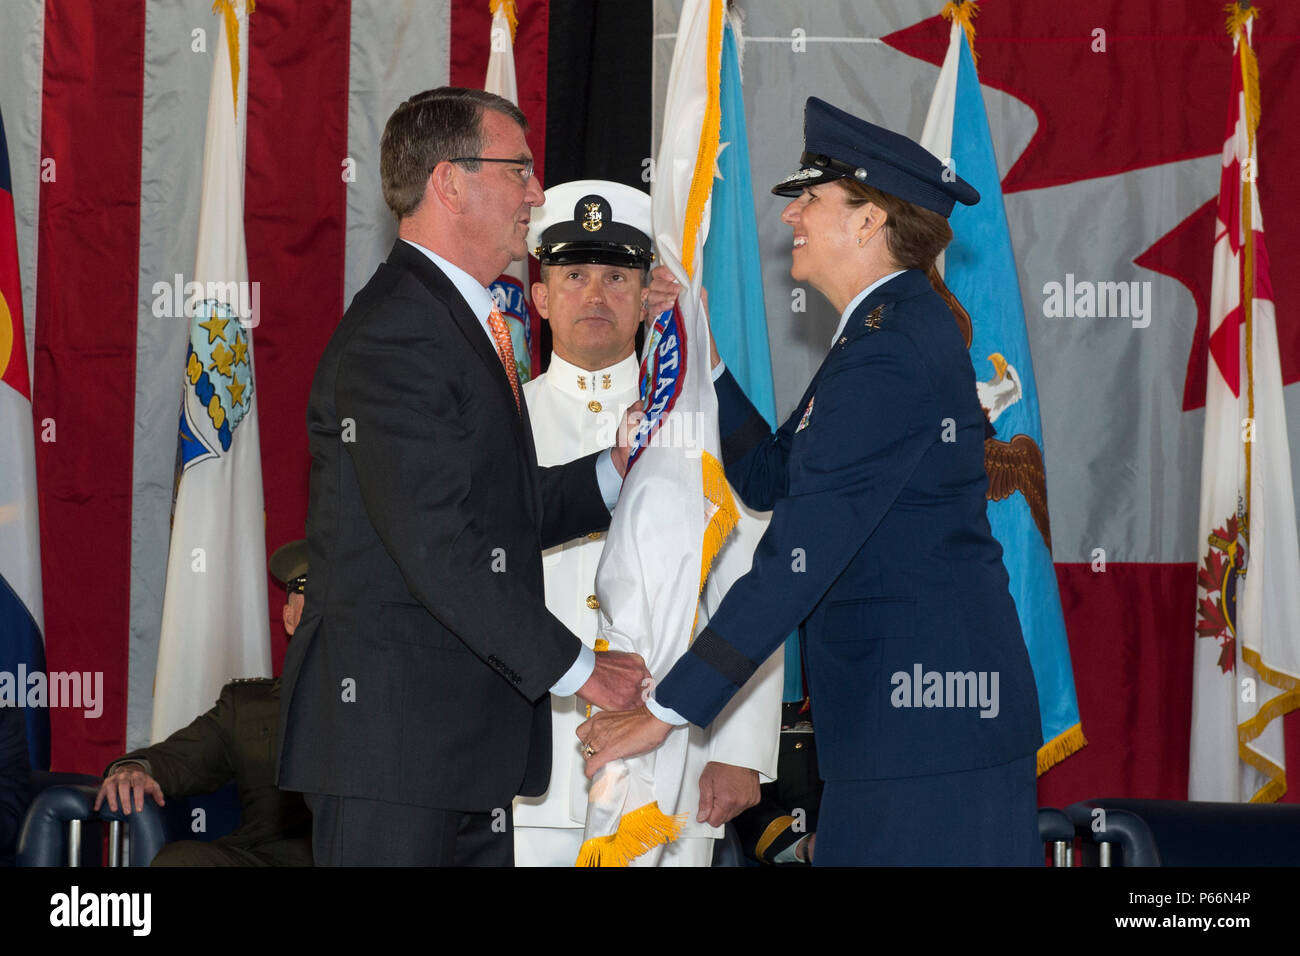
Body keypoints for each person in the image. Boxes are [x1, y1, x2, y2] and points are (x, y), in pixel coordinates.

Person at [579, 97, 1043, 866]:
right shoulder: (881, 330)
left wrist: (666, 710)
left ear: (868, 220)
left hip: (929, 734)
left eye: (812, 197)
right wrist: (706, 353)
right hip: (907, 730)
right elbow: (769, 478)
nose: (792, 215)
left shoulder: (888, 351)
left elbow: (799, 556)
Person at [277, 88, 650, 867]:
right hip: (394, 755)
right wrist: (583, 671)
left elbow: (491, 518)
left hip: (455, 755)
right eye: (518, 169)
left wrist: (614, 471)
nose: (536, 193)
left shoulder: (455, 320)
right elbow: (441, 549)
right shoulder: (400, 335)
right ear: (450, 183)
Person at [512, 181, 781, 866]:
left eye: (616, 276)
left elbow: (756, 579)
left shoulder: (698, 417)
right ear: (540, 298)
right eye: (573, 275)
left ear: (646, 295)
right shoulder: (496, 421)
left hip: (670, 761)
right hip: (529, 776)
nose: (595, 295)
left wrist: (741, 750)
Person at [92, 540, 314, 866]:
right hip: (269, 858)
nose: (327, 618)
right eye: (315, 604)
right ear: (290, 618)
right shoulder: (248, 706)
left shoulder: (389, 703)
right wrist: (133, 770)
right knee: (181, 861)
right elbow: (176, 759)